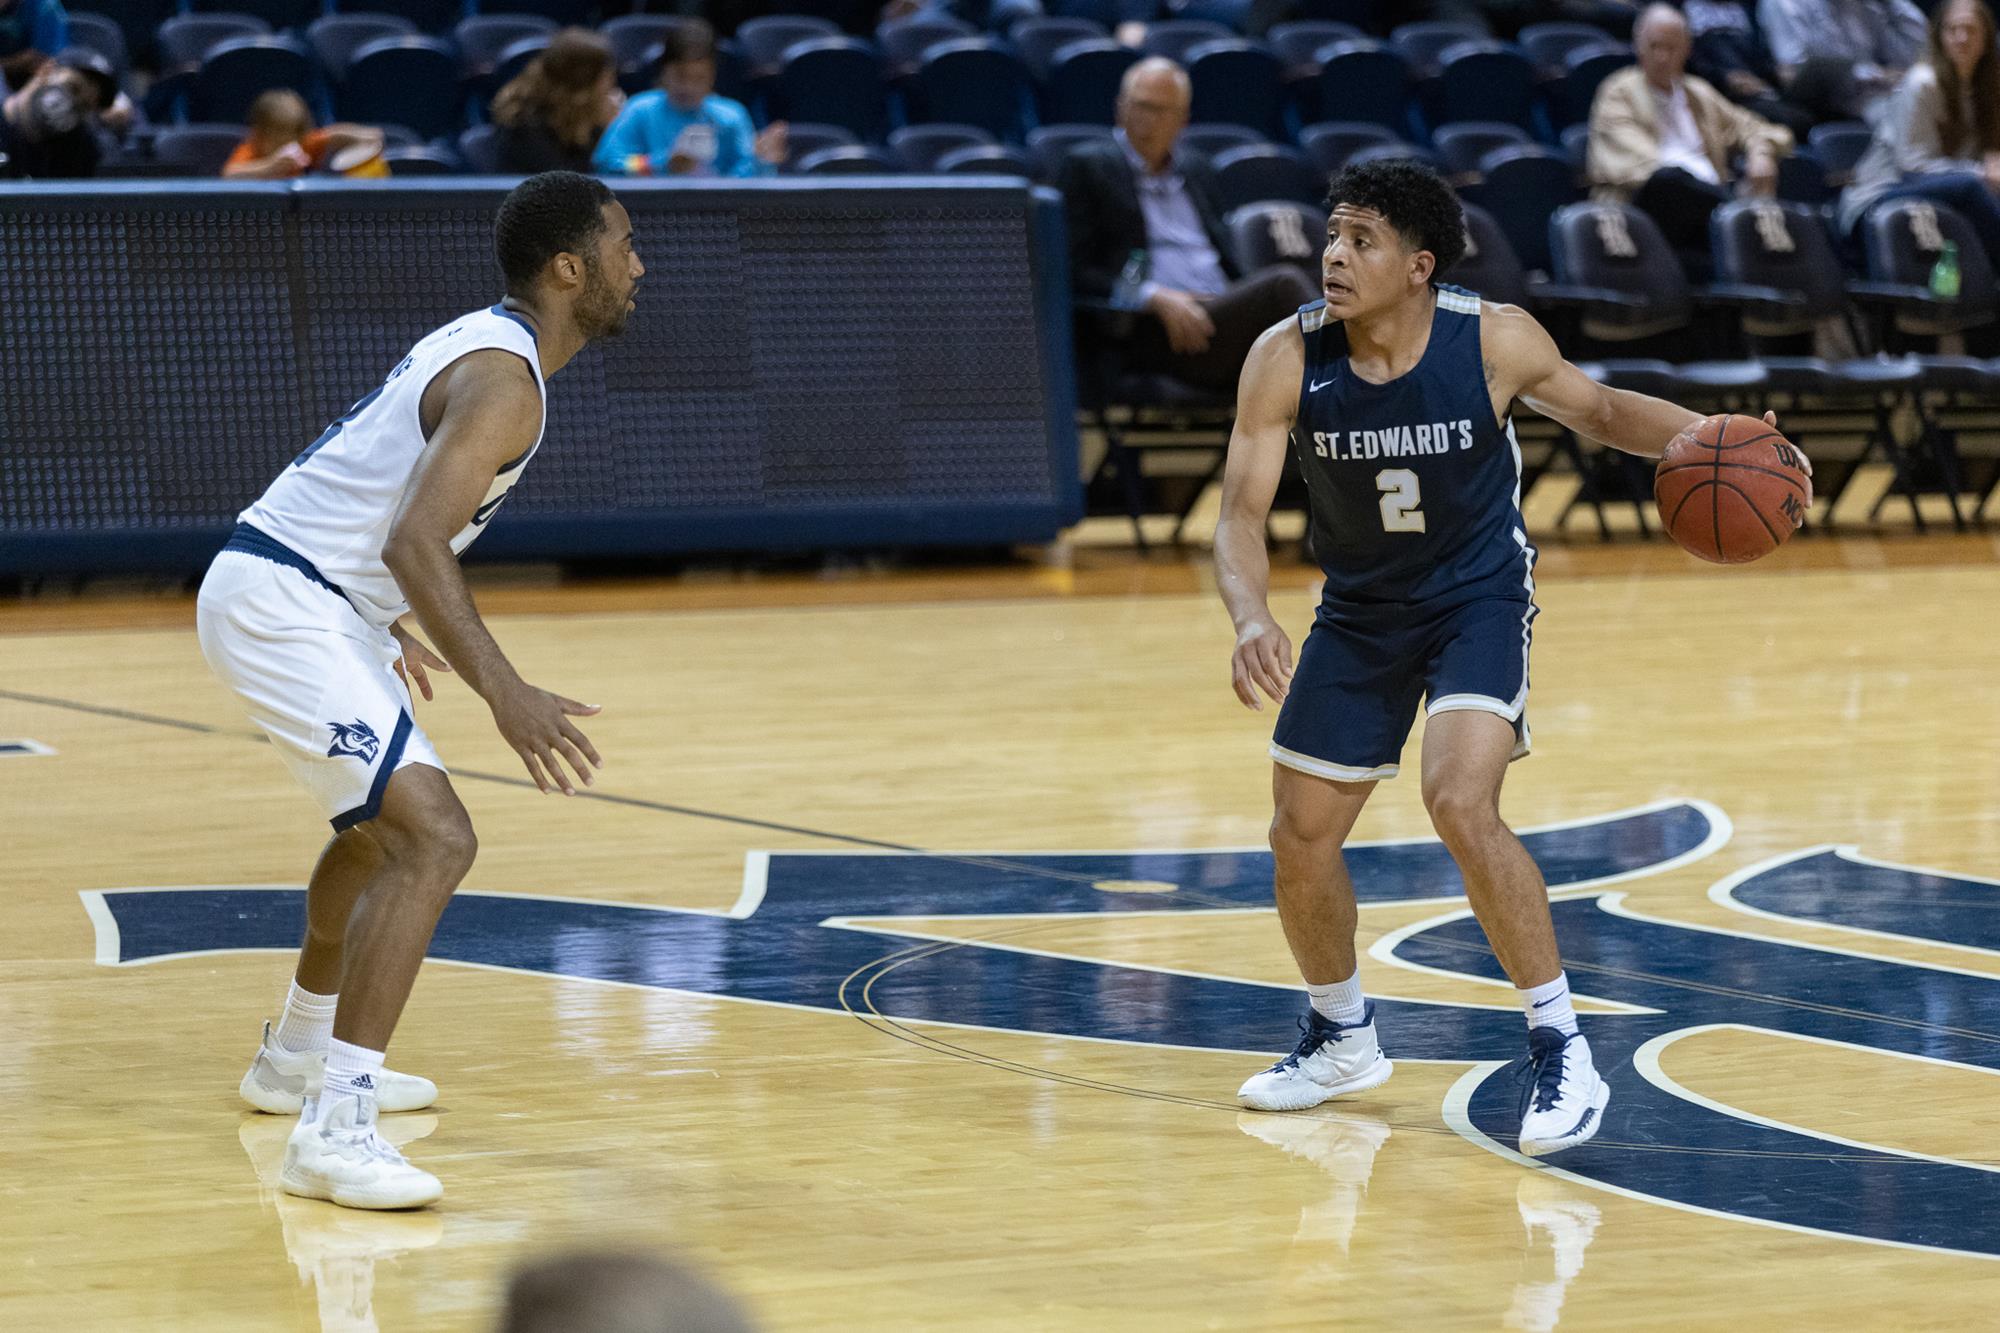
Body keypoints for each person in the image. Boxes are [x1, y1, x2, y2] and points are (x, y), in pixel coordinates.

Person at [1213, 159, 1808, 1157]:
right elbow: (1237, 513)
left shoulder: (1490, 338)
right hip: (1358, 611)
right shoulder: (1283, 357)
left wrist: (1717, 438)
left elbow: (1604, 411)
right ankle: (1340, 1035)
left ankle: (1560, 1042)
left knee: (1457, 797)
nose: (1333, 256)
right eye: (1331, 235)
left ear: (1418, 265)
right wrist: (1247, 618)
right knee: (1298, 831)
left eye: (1360, 240)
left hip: (1474, 598)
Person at [197, 171, 644, 1210]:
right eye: (622, 244)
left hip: (310, 594)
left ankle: (297, 1056)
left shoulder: (495, 346)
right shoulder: (506, 380)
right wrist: (507, 691)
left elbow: (369, 497)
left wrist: (374, 617)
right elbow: (413, 535)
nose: (638, 261)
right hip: (283, 600)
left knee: (374, 833)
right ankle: (336, 1128)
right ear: (567, 268)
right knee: (436, 839)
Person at [1058, 57, 1320, 394]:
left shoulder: (1198, 169)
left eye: (1161, 110)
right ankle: (1357, 380)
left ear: (1183, 120)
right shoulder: (1088, 165)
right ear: (1120, 108)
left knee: (1326, 285)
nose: (1147, 120)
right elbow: (1072, 270)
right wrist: (1152, 296)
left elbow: (1222, 255)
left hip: (1220, 312)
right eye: (1140, 106)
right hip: (1155, 328)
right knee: (1283, 284)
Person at [1588, 4, 1791, 272]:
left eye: (1671, 48)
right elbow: (1641, 166)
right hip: (1645, 210)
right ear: (1638, 46)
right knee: (1670, 179)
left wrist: (1761, 154)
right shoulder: (1617, 91)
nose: (1662, 57)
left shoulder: (1698, 92)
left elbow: (1763, 130)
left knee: (1783, 171)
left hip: (1703, 211)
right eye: (1654, 46)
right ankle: (1738, 217)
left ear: (1687, 49)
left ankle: (1739, 221)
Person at [1839, 0, 2000, 269]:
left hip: (1942, 187)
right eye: (1953, 30)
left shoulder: (1988, 90)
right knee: (1971, 186)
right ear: (1939, 37)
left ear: (1986, 39)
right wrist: (1981, 173)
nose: (1962, 38)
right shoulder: (1921, 83)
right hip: (1880, 193)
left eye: (1971, 30)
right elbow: (1913, 166)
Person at [592, 18, 784, 178]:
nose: (689, 87)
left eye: (699, 78)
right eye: (680, 75)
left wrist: (761, 161)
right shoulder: (640, 109)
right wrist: (660, 163)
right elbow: (607, 165)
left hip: (716, 215)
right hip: (649, 215)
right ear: (663, 72)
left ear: (713, 76)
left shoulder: (731, 116)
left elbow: (746, 180)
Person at [1757, 0, 1930, 122]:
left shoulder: (1864, 6)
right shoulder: (1785, 3)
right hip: (1825, 104)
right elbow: (1797, 73)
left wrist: (1891, 3)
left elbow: (1916, 54)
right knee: (1911, 117)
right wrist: (1877, 74)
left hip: (1878, 94)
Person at [490, 27, 624, 175]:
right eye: (606, 80)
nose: (611, 89)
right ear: (581, 88)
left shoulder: (580, 116)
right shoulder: (524, 123)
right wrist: (609, 128)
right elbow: (565, 185)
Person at [1683, 0, 1818, 137]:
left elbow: (1761, 52)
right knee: (1796, 120)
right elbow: (1685, 62)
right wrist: (1723, 79)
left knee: (1812, 102)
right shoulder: (1681, 8)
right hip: (1717, 94)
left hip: (1760, 87)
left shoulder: (1747, 6)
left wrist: (1772, 72)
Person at [222, 89, 383, 180]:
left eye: (293, 134)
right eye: (278, 135)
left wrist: (363, 136)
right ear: (258, 134)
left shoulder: (302, 144)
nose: (287, 142)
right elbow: (229, 175)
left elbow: (333, 134)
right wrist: (271, 165)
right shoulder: (250, 151)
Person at [0, 45, 104, 178]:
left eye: (83, 105)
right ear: (45, 71)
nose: (71, 104)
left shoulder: (77, 152)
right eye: (73, 88)